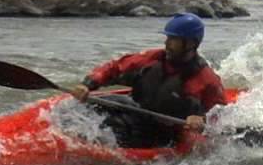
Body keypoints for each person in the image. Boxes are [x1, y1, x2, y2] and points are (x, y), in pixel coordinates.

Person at [70, 12, 226, 148]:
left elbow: (221, 114)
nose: (167, 43)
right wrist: (87, 85)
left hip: (164, 131)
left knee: (114, 125)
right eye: (168, 38)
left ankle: (83, 144)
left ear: (191, 43)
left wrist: (201, 119)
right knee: (89, 105)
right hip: (136, 109)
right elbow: (115, 68)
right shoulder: (153, 58)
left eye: (173, 39)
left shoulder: (205, 78)